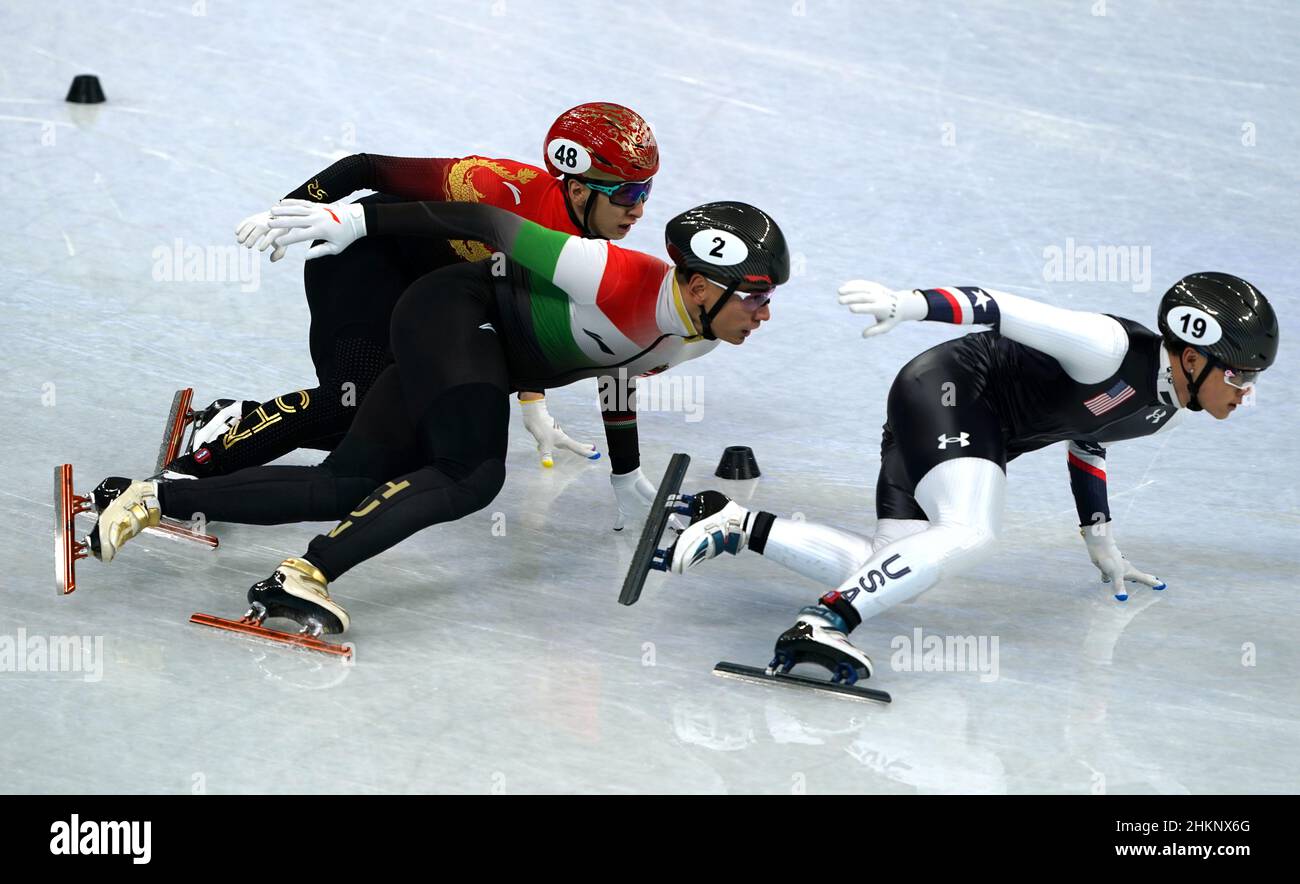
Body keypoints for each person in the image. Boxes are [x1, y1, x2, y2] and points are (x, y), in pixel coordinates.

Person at [86, 197, 790, 638]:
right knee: (471, 474)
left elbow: (618, 372)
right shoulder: (609, 274)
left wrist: (625, 478)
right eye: (755, 296)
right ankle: (306, 573)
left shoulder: (699, 334)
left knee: (342, 484)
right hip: (453, 313)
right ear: (700, 284)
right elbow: (484, 221)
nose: (763, 315)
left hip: (476, 346)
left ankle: (156, 497)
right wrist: (355, 218)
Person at [670, 272, 1279, 685]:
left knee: (897, 567)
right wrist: (908, 303)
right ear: (1194, 356)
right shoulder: (1109, 346)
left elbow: (1088, 444)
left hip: (949, 421)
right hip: (953, 391)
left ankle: (737, 525)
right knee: (973, 529)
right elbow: (999, 307)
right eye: (1242, 374)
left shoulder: (1165, 411)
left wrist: (1102, 545)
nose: (1246, 392)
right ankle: (824, 622)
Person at [166, 102, 659, 480]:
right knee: (349, 401)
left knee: (404, 438)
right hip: (361, 262)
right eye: (628, 195)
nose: (638, 211)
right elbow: (366, 167)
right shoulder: (495, 187)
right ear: (577, 188)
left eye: (646, 192)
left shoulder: (596, 255)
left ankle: (238, 418)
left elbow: (601, 344)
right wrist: (285, 211)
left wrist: (538, 406)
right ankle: (187, 474)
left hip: (427, 301)